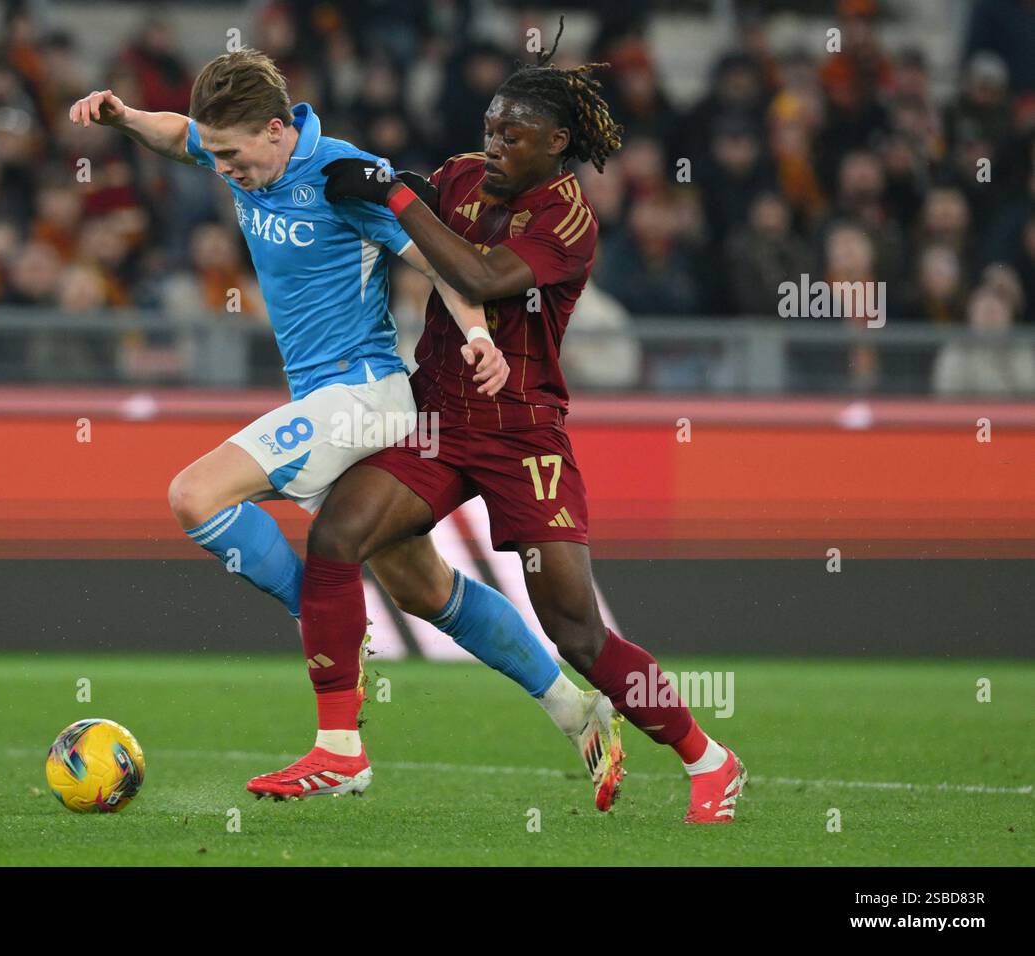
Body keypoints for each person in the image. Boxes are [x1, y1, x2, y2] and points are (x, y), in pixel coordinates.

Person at [68, 49, 623, 805]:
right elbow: (180, 138)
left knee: (195, 495)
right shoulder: (236, 147)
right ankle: (574, 707)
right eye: (217, 156)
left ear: (276, 129)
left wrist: (481, 338)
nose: (224, 170)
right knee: (422, 586)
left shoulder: (341, 174)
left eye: (234, 156)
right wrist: (125, 118)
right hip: (331, 403)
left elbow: (437, 263)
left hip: (363, 396)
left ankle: (331, 669)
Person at [249, 35, 745, 823]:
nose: (495, 147)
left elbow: (476, 275)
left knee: (579, 632)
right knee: (338, 537)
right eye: (490, 129)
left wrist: (397, 196)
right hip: (437, 416)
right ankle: (339, 750)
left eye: (513, 136)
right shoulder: (462, 178)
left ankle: (707, 759)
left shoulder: (569, 219)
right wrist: (370, 184)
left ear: (558, 144)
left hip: (524, 437)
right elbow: (409, 205)